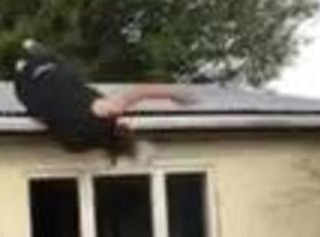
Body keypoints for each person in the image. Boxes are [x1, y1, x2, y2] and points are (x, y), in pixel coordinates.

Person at [13, 40, 194, 158]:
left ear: (119, 126)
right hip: (29, 95)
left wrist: (175, 93)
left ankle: (32, 58)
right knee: (53, 69)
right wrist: (134, 149)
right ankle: (26, 62)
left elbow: (140, 92)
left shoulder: (106, 113)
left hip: (51, 78)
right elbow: (50, 123)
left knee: (59, 65)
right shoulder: (77, 146)